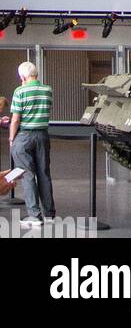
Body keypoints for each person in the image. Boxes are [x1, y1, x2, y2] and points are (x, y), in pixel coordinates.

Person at [9, 62, 55, 228]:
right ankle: (49, 214)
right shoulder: (47, 90)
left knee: (28, 175)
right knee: (44, 174)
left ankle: (34, 215)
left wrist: (11, 139)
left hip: (24, 136)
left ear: (22, 76)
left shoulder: (19, 91)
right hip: (43, 136)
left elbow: (15, 119)